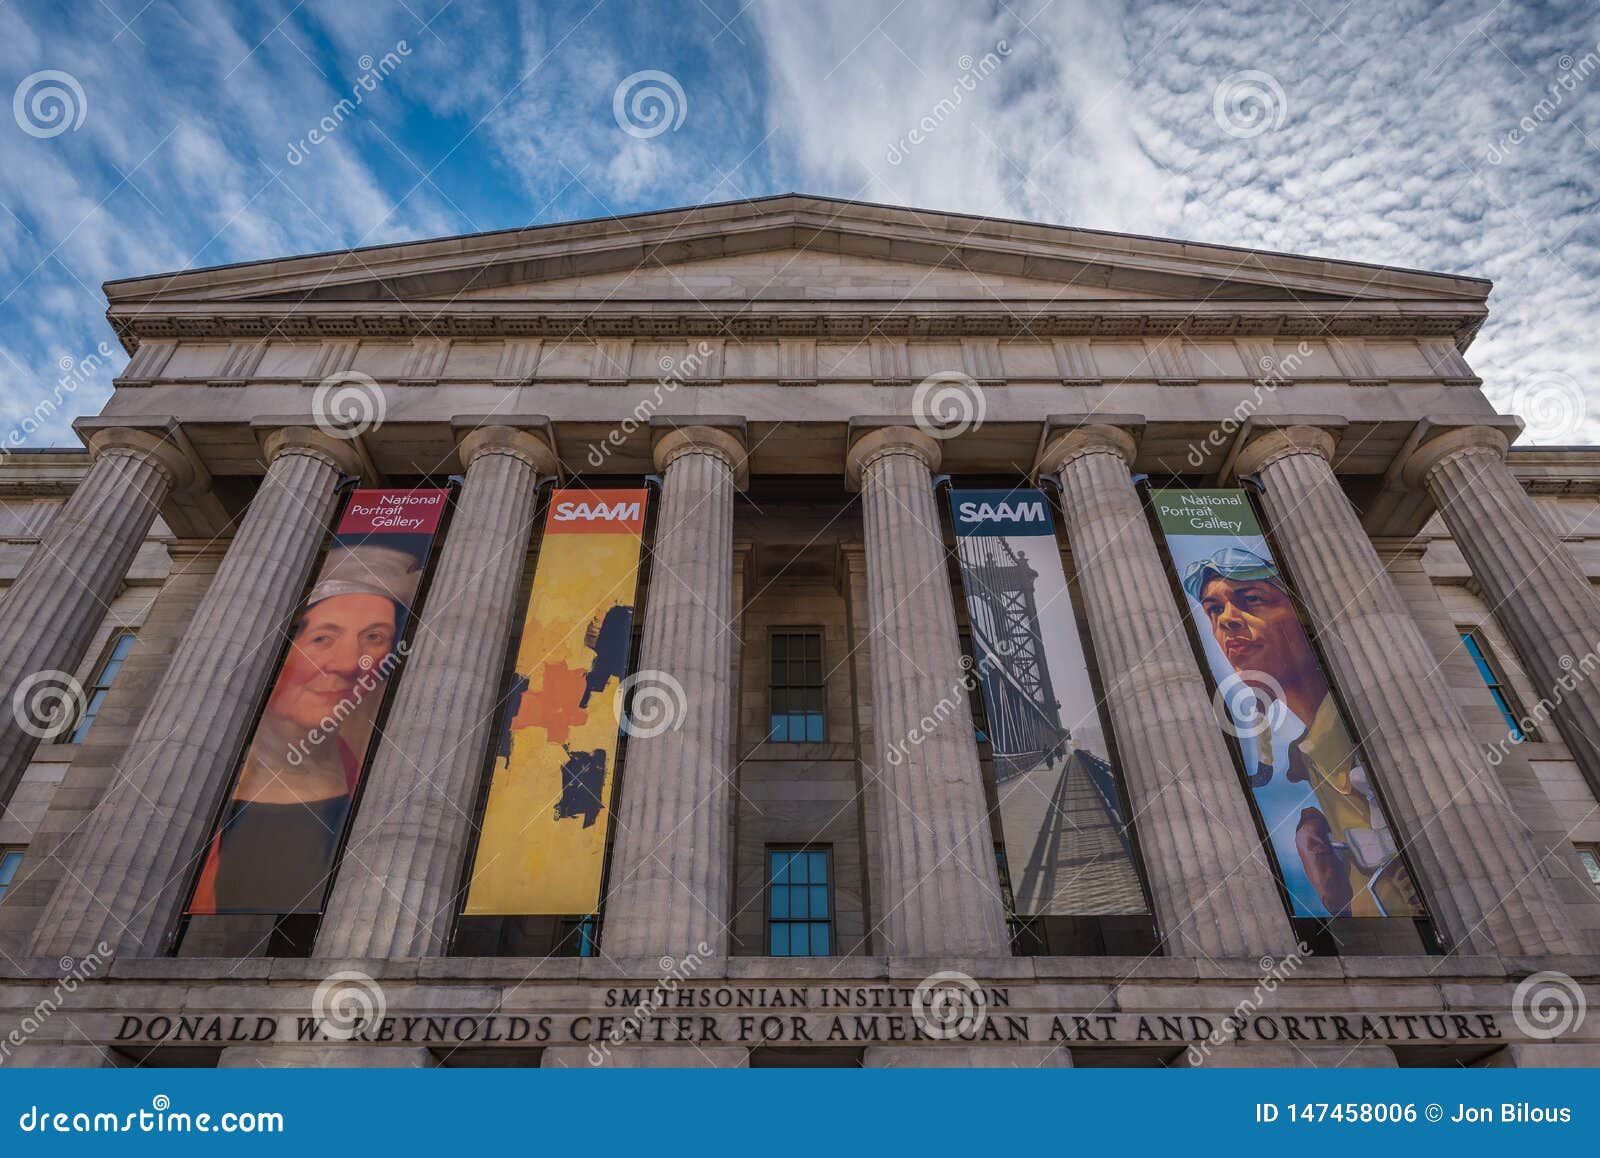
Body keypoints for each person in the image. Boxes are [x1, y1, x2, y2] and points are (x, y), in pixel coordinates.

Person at [1183, 546, 1419, 918]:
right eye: (1214, 610)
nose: (1227, 620)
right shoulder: (1305, 753)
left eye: (1250, 600)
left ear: (1300, 615)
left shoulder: (1355, 731)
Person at [199, 543, 421, 914]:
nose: (349, 664)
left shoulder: (364, 775)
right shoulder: (220, 777)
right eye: (323, 638)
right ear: (286, 645)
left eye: (374, 638)